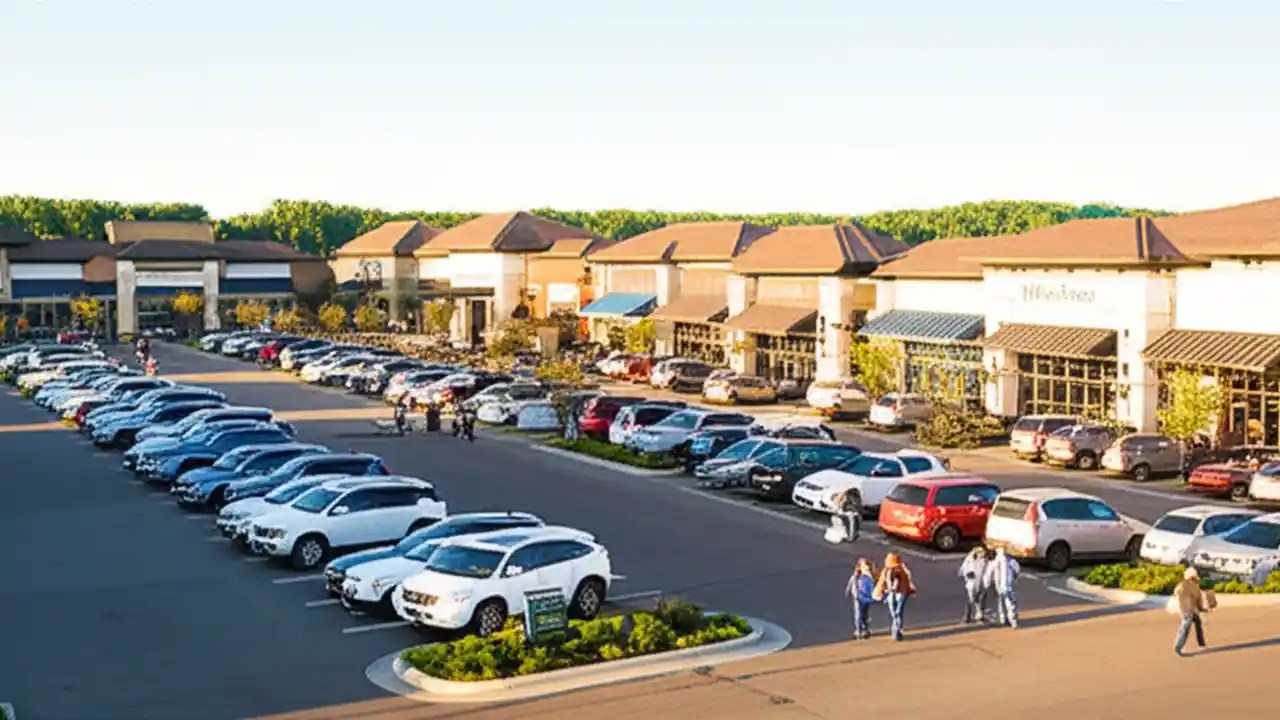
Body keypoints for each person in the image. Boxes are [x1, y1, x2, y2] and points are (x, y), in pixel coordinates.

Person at [874, 552, 916, 641]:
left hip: (894, 594)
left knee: (895, 613)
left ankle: (896, 631)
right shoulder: (901, 570)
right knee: (897, 613)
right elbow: (907, 580)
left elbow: (881, 583)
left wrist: (878, 593)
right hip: (899, 593)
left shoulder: (890, 571)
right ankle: (898, 630)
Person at [1173, 567, 1210, 656]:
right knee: (1185, 628)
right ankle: (1178, 647)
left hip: (1189, 610)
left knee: (1197, 623)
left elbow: (1177, 594)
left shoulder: (1183, 585)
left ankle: (1201, 643)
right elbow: (1198, 600)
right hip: (1188, 610)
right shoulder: (1191, 587)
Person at [985, 547, 1021, 628]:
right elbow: (1017, 571)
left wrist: (986, 584)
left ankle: (1004, 619)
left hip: (1000, 586)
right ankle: (1012, 620)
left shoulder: (995, 561)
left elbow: (988, 573)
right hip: (1007, 586)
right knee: (1009, 603)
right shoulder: (1010, 561)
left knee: (1001, 603)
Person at [845, 558, 877, 639]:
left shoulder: (869, 576)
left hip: (866, 598)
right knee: (859, 614)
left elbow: (873, 586)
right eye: (864, 566)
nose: (866, 568)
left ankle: (865, 629)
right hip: (858, 598)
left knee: (864, 614)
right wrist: (848, 591)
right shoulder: (857, 576)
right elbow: (851, 584)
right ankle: (859, 629)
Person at [959, 546, 989, 624]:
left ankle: (979, 616)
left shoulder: (984, 561)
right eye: (980, 554)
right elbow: (963, 570)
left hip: (980, 583)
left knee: (979, 600)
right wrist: (968, 573)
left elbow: (986, 573)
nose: (982, 555)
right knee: (971, 600)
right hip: (971, 584)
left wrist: (986, 583)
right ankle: (967, 616)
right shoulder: (970, 560)